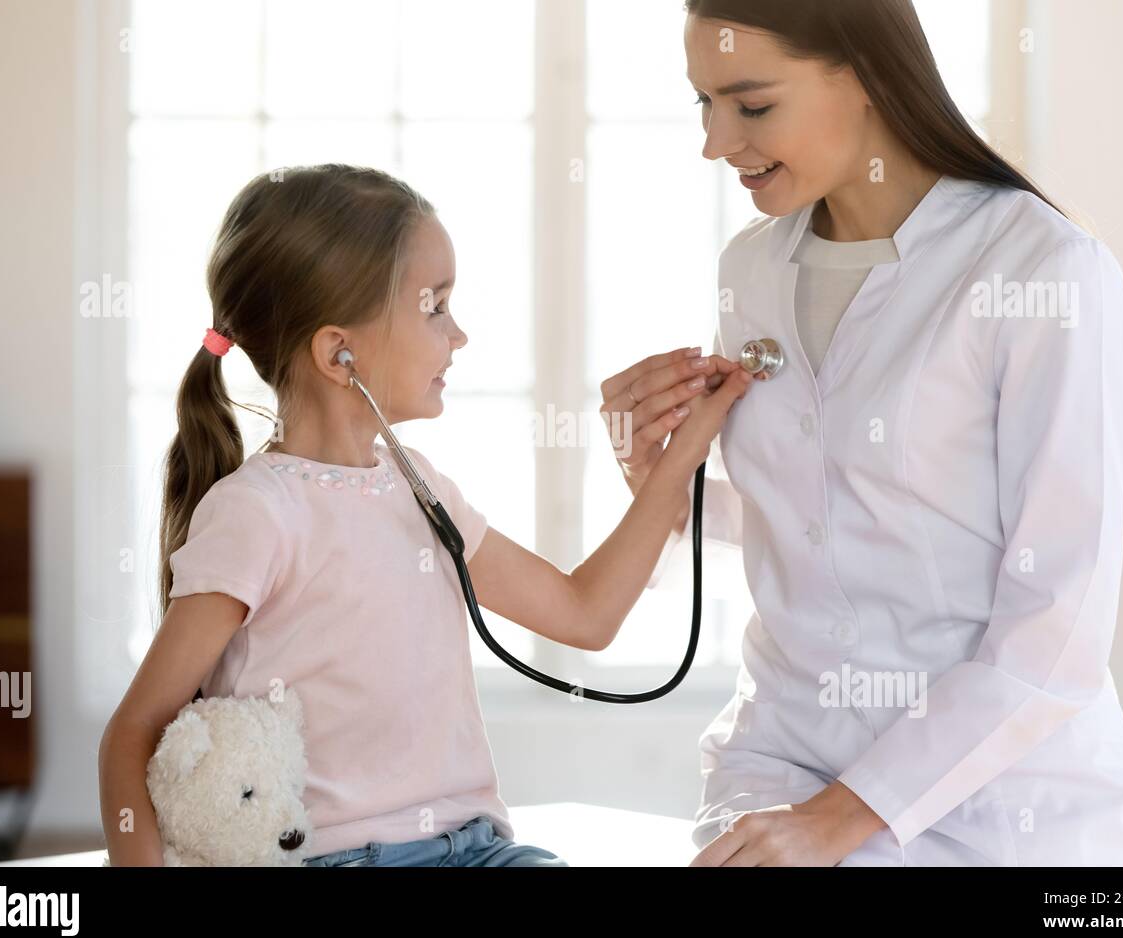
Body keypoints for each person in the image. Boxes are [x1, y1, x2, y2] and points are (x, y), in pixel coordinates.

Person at [604, 0, 1123, 865]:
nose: (715, 142)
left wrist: (842, 818)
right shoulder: (750, 268)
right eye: (701, 105)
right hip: (780, 764)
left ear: (861, 75)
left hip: (1004, 808)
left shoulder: (1042, 270)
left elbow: (1060, 623)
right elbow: (801, 526)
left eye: (750, 105)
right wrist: (660, 477)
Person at [97, 164, 751, 867]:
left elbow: (584, 613)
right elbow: (133, 733)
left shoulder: (419, 489)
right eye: (434, 306)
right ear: (337, 352)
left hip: (474, 850)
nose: (459, 334)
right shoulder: (259, 513)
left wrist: (678, 462)